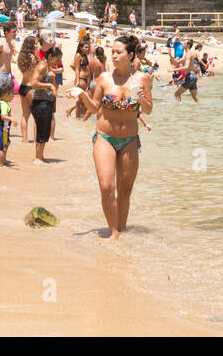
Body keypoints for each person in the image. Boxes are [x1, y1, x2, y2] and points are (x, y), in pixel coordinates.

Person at [67, 35, 152, 240]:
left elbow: (148, 110)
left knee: (125, 189)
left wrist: (141, 97)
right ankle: (113, 233)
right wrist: (81, 94)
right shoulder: (105, 78)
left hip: (130, 140)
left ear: (130, 55)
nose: (113, 55)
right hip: (105, 138)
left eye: (118, 52)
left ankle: (121, 231)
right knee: (107, 187)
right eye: (112, 51)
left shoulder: (142, 79)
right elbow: (95, 108)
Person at [29, 48, 61, 162]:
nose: (58, 63)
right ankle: (37, 158)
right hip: (39, 103)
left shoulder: (48, 67)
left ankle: (40, 156)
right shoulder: (42, 66)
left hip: (46, 102)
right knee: (42, 131)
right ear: (51, 56)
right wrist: (50, 86)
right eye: (57, 60)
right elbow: (33, 83)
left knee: (45, 131)